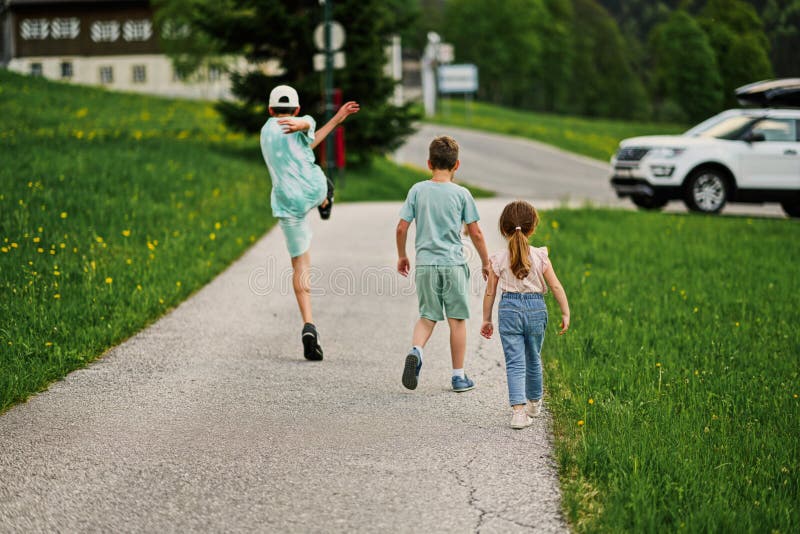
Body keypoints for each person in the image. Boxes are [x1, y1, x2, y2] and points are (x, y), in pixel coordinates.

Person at [260, 85, 359, 361]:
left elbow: (305, 134)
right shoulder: (301, 123)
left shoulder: (265, 132)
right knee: (321, 181)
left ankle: (308, 323)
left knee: (300, 265)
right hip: (312, 188)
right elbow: (309, 130)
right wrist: (328, 119)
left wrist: (309, 124)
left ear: (270, 111)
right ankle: (325, 199)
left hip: (288, 203)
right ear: (297, 108)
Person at [396, 135, 490, 392]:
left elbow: (401, 228)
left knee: (427, 317)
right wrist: (485, 262)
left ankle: (416, 350)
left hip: (426, 265)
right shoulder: (462, 194)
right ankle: (459, 376)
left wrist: (402, 255)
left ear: (429, 163)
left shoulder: (417, 190)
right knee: (457, 320)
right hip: (453, 265)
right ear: (456, 165)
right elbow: (477, 233)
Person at [479, 200, 570, 429]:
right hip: (536, 309)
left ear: (503, 229)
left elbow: (490, 292)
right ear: (532, 228)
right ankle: (535, 402)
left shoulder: (498, 259)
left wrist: (486, 319)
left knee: (514, 362)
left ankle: (518, 413)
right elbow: (557, 287)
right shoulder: (540, 256)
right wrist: (565, 312)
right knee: (533, 357)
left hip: (509, 310)